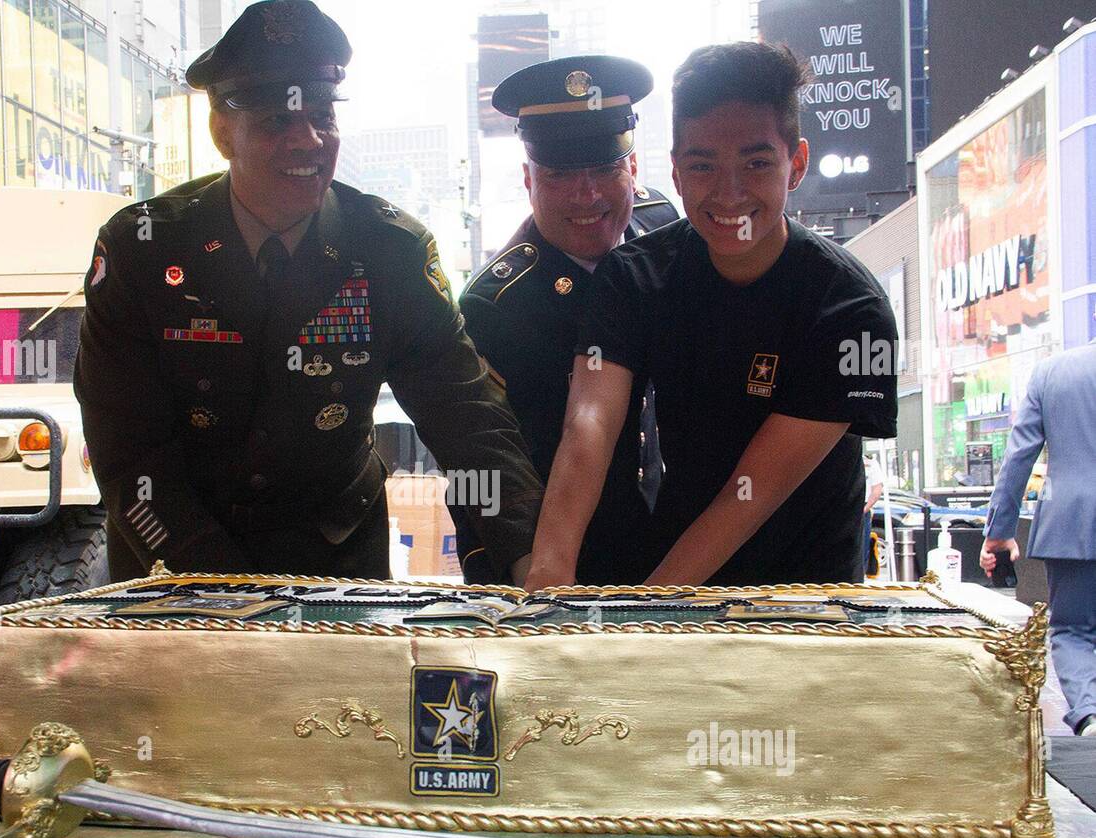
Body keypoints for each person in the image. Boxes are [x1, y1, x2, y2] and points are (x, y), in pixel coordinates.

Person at [76, 0, 543, 585]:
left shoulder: (388, 249)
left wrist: (528, 552)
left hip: (336, 567)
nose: (308, 140)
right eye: (276, 121)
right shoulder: (143, 249)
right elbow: (129, 456)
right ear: (223, 130)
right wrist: (221, 591)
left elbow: (465, 418)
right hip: (176, 571)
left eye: (323, 115)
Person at [524, 42, 897, 590]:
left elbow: (753, 490)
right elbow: (589, 425)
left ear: (795, 165)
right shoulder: (635, 277)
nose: (729, 193)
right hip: (679, 579)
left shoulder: (847, 308)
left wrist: (652, 608)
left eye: (756, 162)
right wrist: (549, 572)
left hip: (807, 603)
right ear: (675, 174)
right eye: (703, 166)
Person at [448, 56, 678, 585]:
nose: (587, 195)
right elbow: (474, 466)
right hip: (560, 575)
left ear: (634, 169)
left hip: (673, 558)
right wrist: (516, 577)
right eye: (559, 175)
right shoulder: (496, 307)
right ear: (528, 178)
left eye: (604, 169)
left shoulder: (661, 227)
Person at [981, 344, 1096, 737]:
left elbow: (1019, 456)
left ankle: (1090, 713)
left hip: (1071, 522)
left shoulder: (1051, 372)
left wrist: (998, 532)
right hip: (1071, 525)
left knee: (1074, 629)